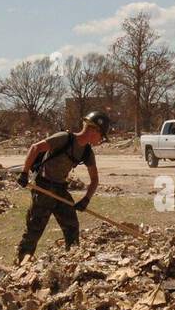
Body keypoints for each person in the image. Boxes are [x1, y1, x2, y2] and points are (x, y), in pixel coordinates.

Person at [15, 111, 109, 262]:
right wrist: (24, 173)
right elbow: (35, 148)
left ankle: (72, 260)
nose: (101, 139)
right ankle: (21, 263)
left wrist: (86, 199)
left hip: (60, 189)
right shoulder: (64, 138)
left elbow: (95, 179)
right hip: (43, 187)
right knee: (34, 230)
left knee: (72, 227)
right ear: (94, 130)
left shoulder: (87, 151)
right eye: (102, 135)